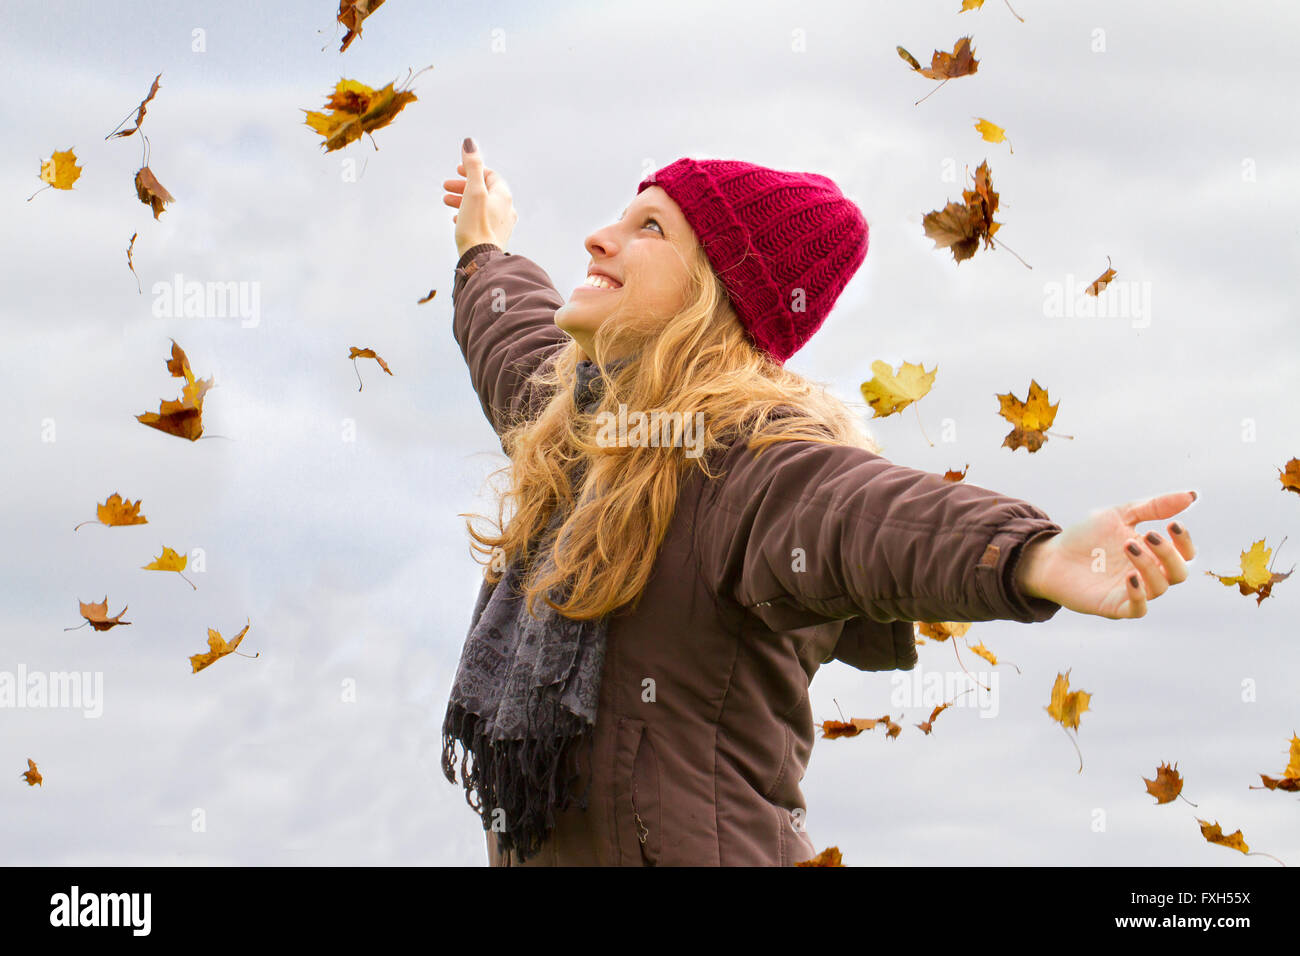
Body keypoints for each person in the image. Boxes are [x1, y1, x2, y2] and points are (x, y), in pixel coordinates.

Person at [438, 137, 1198, 866]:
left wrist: (1027, 554)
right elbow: (516, 341)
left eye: (650, 228)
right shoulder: (583, 440)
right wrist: (484, 247)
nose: (599, 239)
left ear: (716, 296)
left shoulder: (741, 467)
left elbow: (861, 517)